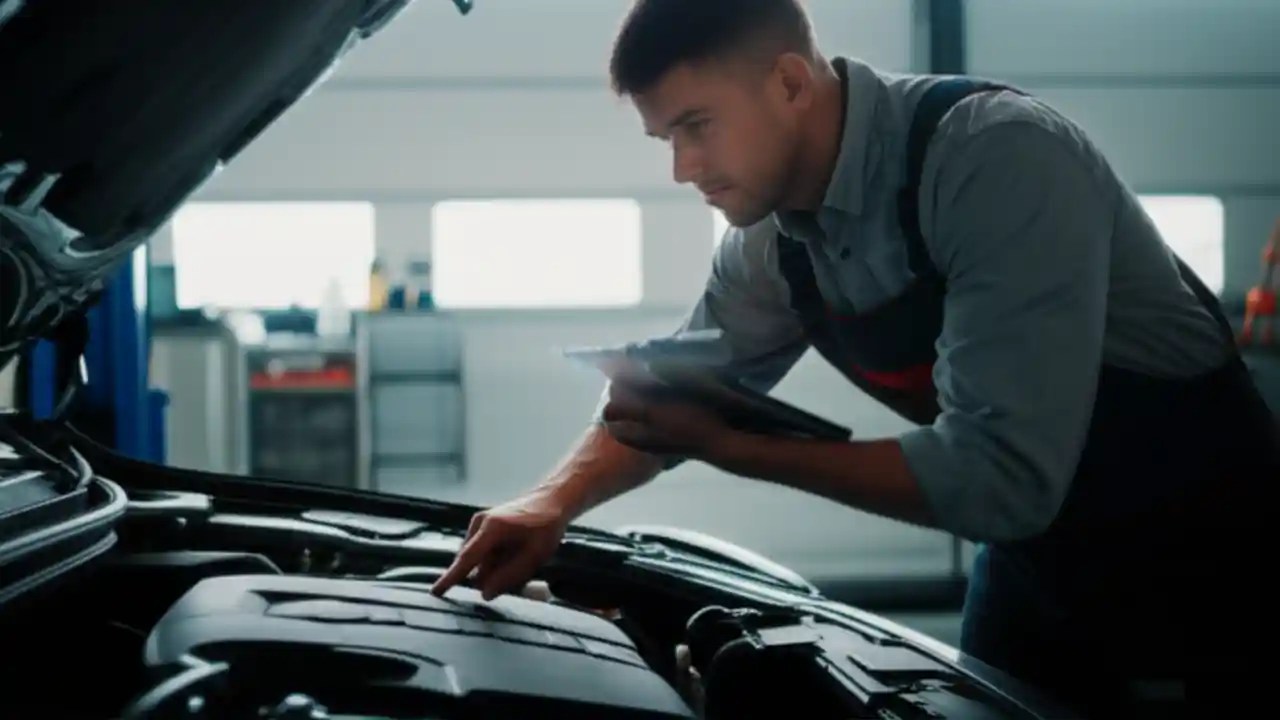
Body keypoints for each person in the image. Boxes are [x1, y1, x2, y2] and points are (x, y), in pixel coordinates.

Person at [432, 0, 1271, 713]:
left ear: (789, 83)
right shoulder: (770, 243)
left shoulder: (996, 158)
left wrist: (733, 447)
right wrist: (550, 503)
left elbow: (1002, 481)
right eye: (665, 140)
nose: (684, 168)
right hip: (1040, 563)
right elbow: (669, 394)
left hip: (1207, 559)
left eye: (697, 126)